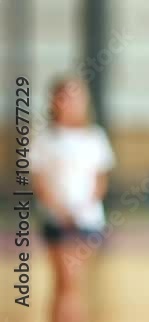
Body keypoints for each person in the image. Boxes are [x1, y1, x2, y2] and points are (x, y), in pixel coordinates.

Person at [34, 75, 115, 322]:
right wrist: (60, 210)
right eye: (64, 97)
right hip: (56, 218)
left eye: (75, 97)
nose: (70, 103)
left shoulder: (95, 137)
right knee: (65, 282)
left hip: (87, 219)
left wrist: (82, 208)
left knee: (73, 283)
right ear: (54, 101)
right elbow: (39, 181)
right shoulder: (44, 138)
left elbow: (100, 180)